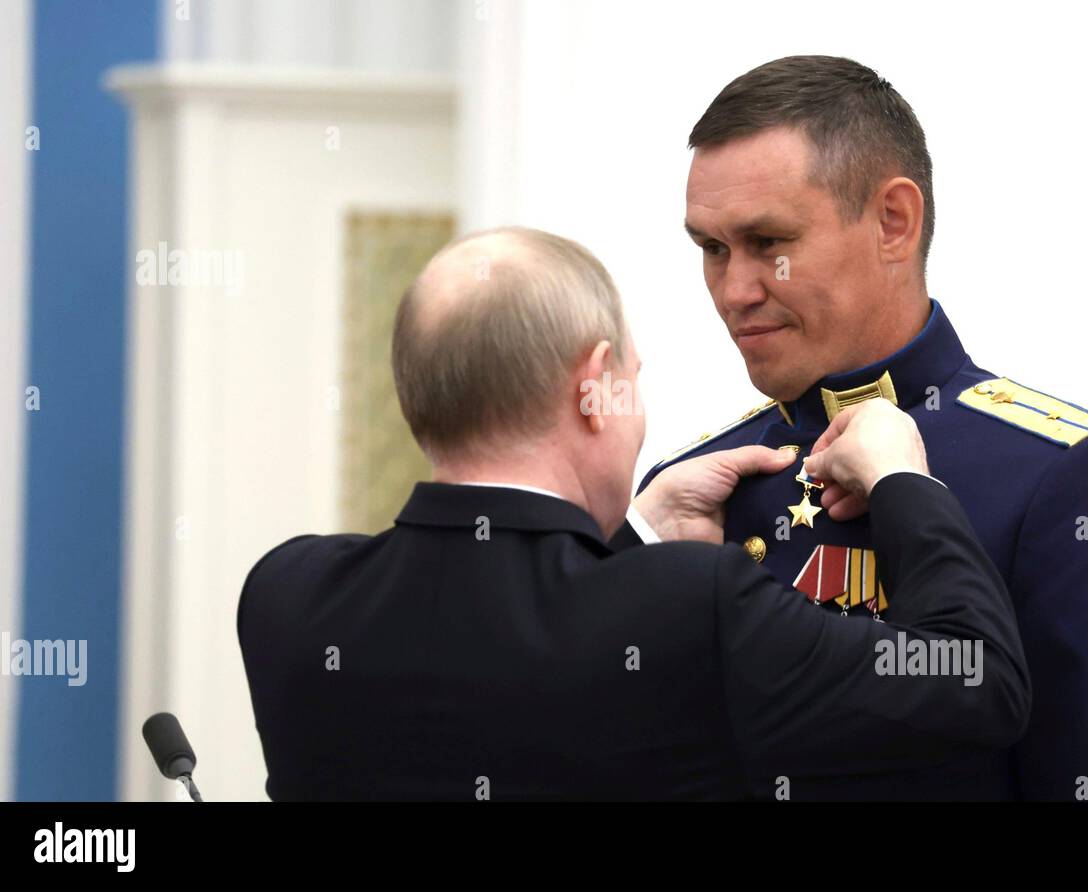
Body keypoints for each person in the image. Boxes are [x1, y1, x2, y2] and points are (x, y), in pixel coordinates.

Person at [237, 226, 1030, 801]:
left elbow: (511, 650)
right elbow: (975, 676)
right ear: (596, 385)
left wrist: (637, 538)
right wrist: (901, 479)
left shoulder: (288, 597)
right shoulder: (691, 607)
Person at [631, 54, 1088, 800]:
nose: (735, 291)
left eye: (768, 244)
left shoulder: (1074, 480)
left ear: (893, 222)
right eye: (712, 250)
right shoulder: (684, 494)